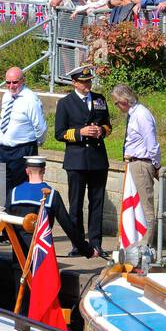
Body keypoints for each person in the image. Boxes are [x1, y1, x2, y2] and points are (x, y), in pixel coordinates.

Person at [54, 65, 112, 258]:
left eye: (89, 81)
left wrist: (101, 131)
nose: (87, 85)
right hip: (76, 160)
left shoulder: (99, 99)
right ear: (74, 83)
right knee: (75, 205)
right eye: (84, 82)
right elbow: (59, 133)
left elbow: (108, 125)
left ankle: (96, 243)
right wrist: (80, 133)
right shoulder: (65, 103)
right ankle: (78, 244)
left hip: (97, 159)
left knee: (97, 204)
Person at [9, 155, 95, 259]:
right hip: (42, 257)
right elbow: (68, 227)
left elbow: (5, 223)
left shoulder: (14, 193)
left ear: (27, 171)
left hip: (19, 256)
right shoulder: (52, 195)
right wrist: (88, 251)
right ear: (44, 171)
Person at [112, 83, 161, 249]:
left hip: (141, 163)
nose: (116, 106)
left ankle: (146, 246)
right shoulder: (134, 114)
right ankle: (136, 245)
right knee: (136, 206)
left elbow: (152, 143)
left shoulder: (141, 115)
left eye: (116, 103)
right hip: (134, 163)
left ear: (124, 101)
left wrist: (156, 165)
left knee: (146, 208)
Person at [0, 66, 47, 206]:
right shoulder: (6, 96)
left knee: (19, 188)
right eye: (8, 82)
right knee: (3, 187)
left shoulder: (31, 99)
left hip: (22, 150)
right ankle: (5, 221)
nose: (11, 86)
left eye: (15, 82)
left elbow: (40, 127)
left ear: (23, 80)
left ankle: (18, 222)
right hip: (3, 151)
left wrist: (36, 144)